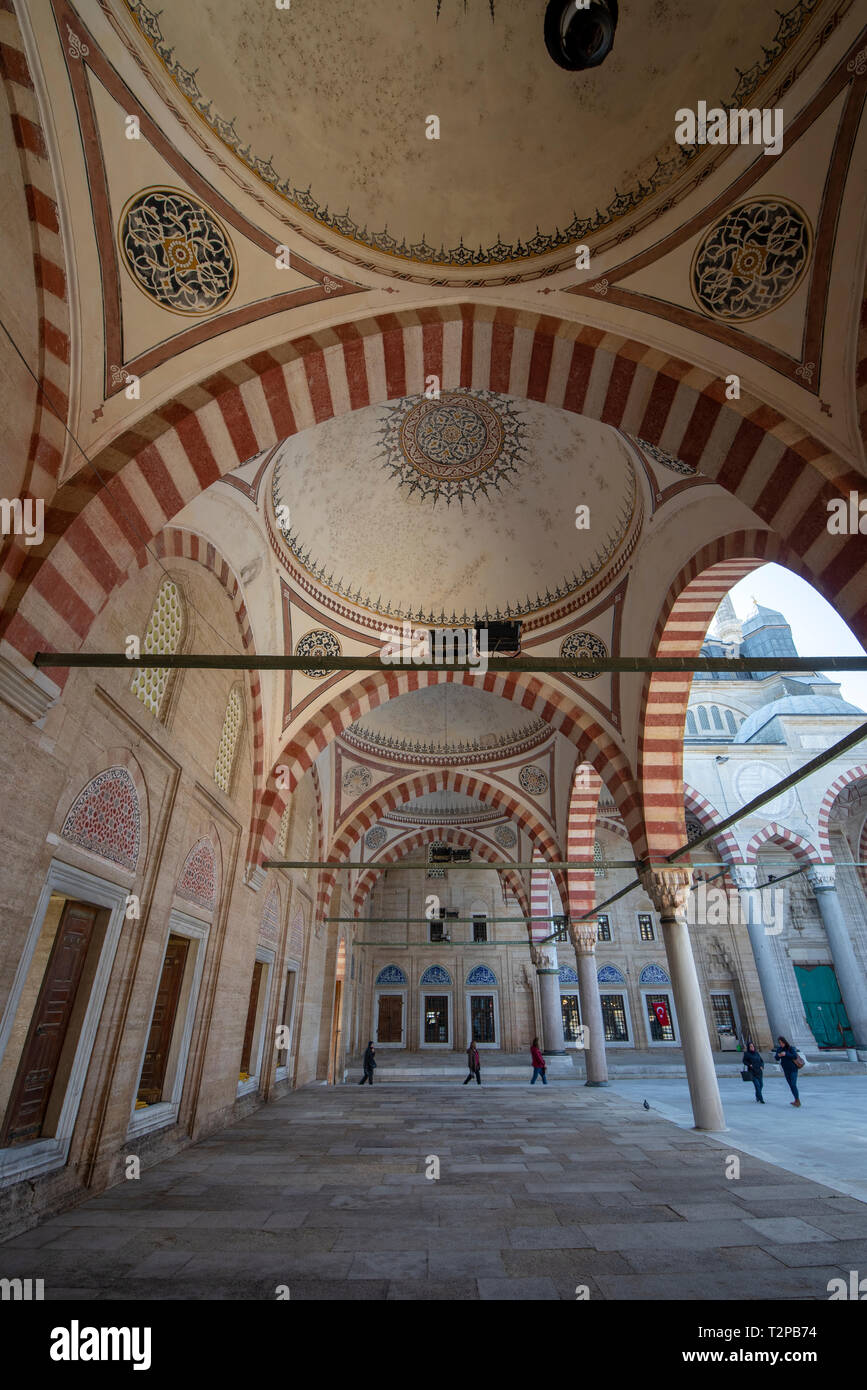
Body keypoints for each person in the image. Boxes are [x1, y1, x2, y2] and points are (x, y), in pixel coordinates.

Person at [773, 1035, 802, 1106]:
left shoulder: (790, 1048)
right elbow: (776, 1058)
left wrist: (786, 1054)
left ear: (784, 1042)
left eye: (781, 1042)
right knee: (791, 1085)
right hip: (786, 1070)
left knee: (793, 1084)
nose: (781, 1044)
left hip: (793, 1069)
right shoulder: (779, 1049)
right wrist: (779, 1055)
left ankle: (797, 1100)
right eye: (779, 1043)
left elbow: (794, 1056)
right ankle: (796, 1100)